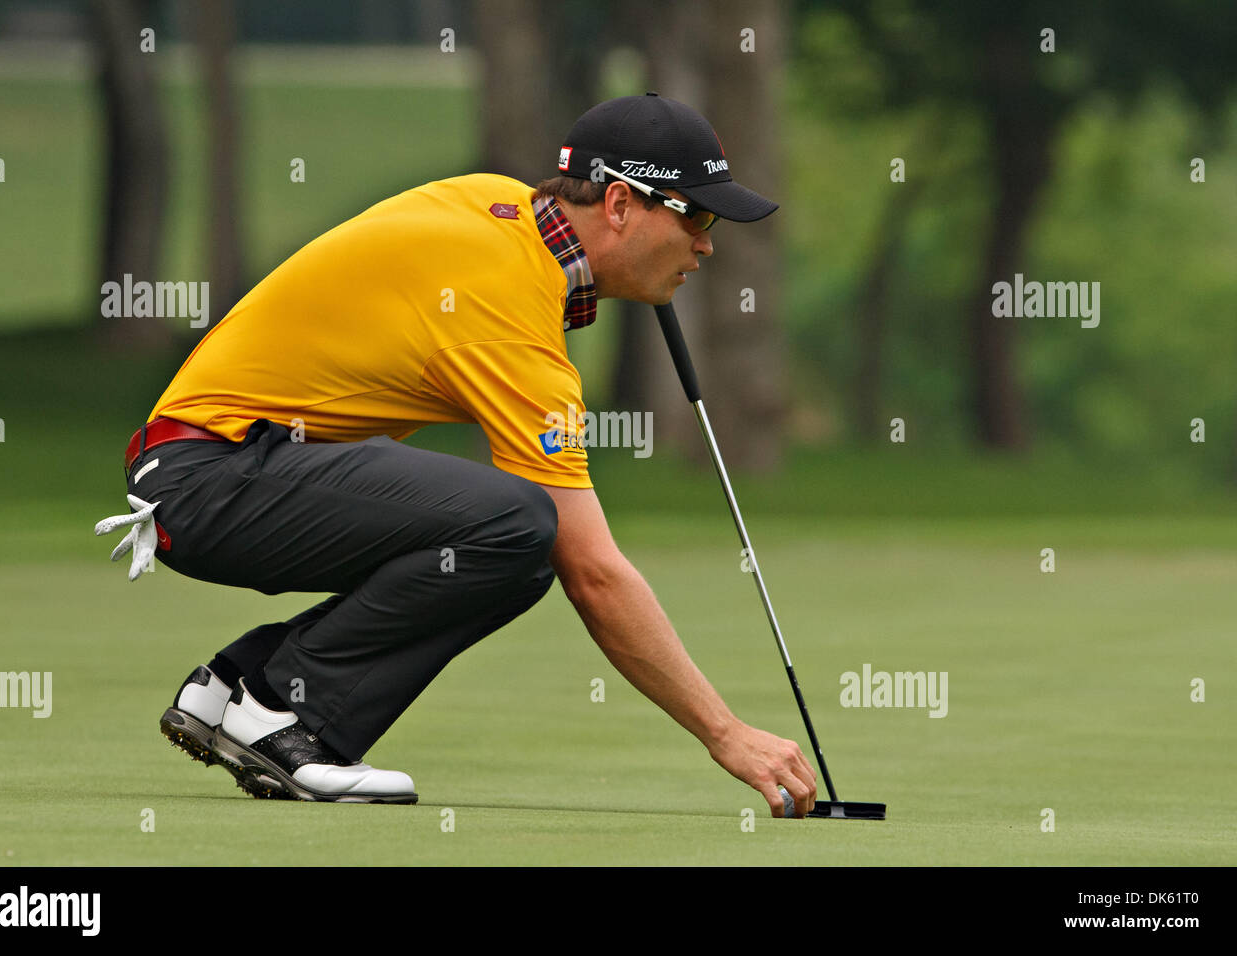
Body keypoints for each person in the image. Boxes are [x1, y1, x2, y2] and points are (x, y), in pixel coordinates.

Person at [96, 92, 819, 816]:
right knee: (517, 526)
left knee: (518, 546)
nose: (708, 242)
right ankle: (286, 712)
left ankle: (237, 684)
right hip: (215, 479)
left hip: (214, 470)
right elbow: (595, 574)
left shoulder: (499, 205)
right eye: (695, 213)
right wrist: (727, 735)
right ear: (622, 205)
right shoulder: (507, 313)